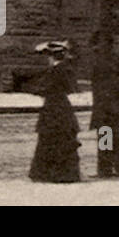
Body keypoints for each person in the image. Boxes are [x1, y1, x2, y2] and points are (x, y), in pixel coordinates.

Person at [29, 40, 81, 183]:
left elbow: (51, 87)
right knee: (59, 140)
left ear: (52, 57)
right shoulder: (63, 69)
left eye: (49, 56)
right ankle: (60, 173)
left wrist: (39, 89)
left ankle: (53, 174)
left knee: (52, 139)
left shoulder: (58, 70)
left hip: (55, 108)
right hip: (60, 108)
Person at [89, 30, 119, 178]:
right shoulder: (107, 60)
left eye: (98, 45)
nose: (95, 48)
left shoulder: (110, 62)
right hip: (106, 106)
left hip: (109, 106)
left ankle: (113, 168)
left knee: (110, 137)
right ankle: (108, 168)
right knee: (106, 136)